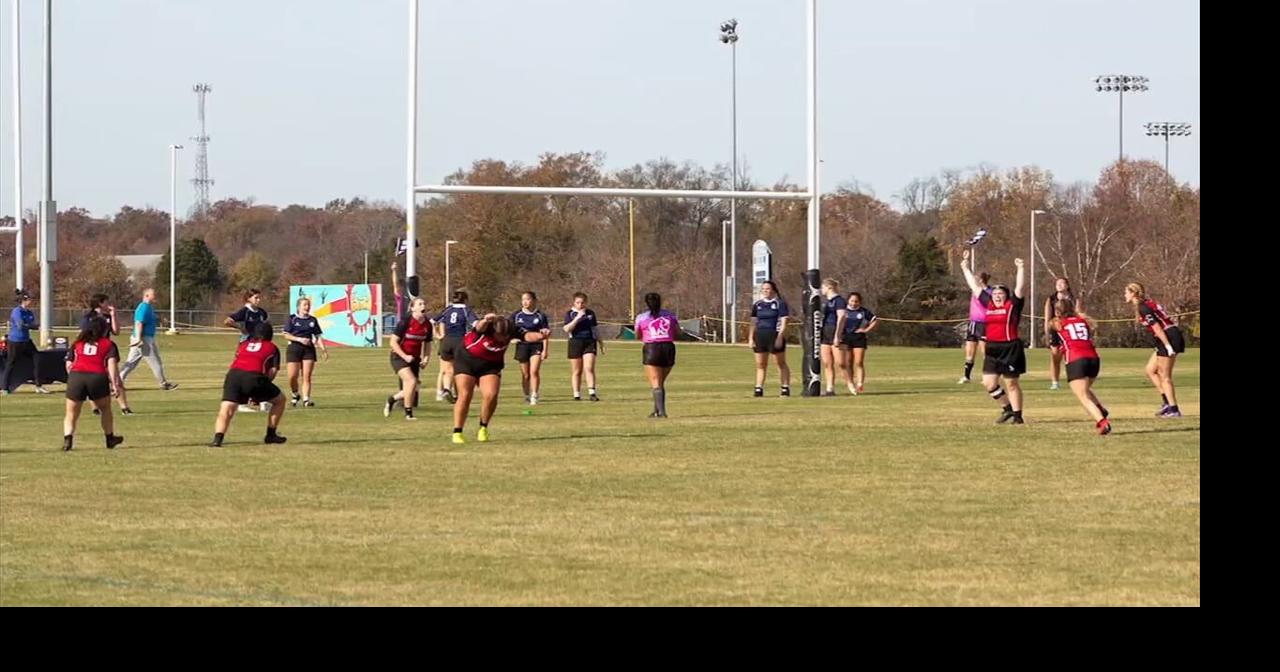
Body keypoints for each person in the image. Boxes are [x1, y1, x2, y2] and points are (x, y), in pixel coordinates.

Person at [450, 313, 551, 443]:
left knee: (491, 394)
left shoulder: (510, 328)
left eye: (506, 336)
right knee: (465, 394)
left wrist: (542, 335)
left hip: (490, 365)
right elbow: (479, 326)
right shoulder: (486, 327)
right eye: (500, 336)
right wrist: (485, 319)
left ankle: (483, 428)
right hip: (466, 360)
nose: (503, 339)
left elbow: (527, 336)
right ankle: (457, 432)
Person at [964, 257, 1027, 424]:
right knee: (989, 383)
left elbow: (1019, 288)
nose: (998, 296)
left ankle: (1018, 416)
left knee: (1011, 383)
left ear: (1006, 296)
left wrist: (1020, 268)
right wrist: (965, 268)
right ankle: (1007, 409)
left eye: (1001, 294)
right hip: (992, 348)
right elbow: (974, 287)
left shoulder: (1012, 306)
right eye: (996, 294)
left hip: (1010, 348)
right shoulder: (989, 305)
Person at [209, 321, 288, 446]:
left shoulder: (244, 344)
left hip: (233, 375)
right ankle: (271, 434)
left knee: (226, 409)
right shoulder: (272, 347)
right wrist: (260, 391)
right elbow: (273, 371)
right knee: (280, 400)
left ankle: (217, 439)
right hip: (254, 377)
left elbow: (239, 359)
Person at [61, 317, 125, 451]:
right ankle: (109, 438)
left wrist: (73, 379)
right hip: (97, 377)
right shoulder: (108, 344)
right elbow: (111, 365)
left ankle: (68, 439)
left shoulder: (77, 343)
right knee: (105, 409)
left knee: (71, 412)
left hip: (76, 376)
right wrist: (115, 384)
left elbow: (68, 365)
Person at [1049, 300, 1111, 435]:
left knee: (1082, 395)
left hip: (1076, 359)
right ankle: (1100, 408)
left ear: (1057, 311)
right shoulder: (1082, 321)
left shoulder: (1056, 324)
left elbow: (1055, 351)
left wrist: (1056, 363)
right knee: (1085, 389)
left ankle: (1102, 421)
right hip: (1094, 359)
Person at [1125, 282, 1186, 418]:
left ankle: (1174, 409)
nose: (1125, 295)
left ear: (1134, 293)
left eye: (1127, 292)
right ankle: (1166, 401)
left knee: (1165, 377)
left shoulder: (1143, 307)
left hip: (1168, 336)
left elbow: (1157, 327)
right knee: (1150, 370)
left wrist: (1168, 345)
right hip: (1165, 337)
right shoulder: (1147, 303)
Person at [120, 287, 179, 391]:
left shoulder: (148, 307)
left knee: (131, 362)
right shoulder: (143, 307)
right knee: (155, 361)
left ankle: (117, 382)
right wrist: (138, 339)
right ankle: (163, 383)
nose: (155, 296)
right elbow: (139, 323)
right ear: (147, 295)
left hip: (145, 338)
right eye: (153, 294)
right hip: (143, 338)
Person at [82, 293, 132, 414]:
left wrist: (114, 315)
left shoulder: (107, 316)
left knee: (115, 377)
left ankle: (124, 407)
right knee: (93, 379)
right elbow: (84, 334)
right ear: (100, 303)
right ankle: (94, 407)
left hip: (107, 349)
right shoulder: (88, 317)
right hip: (93, 350)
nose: (108, 304)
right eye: (106, 302)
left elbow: (116, 331)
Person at [385, 297, 433, 420]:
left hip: (414, 359)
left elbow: (427, 343)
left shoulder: (427, 324)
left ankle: (392, 399)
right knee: (411, 382)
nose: (423, 306)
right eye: (420, 304)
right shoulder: (405, 322)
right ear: (412, 308)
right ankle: (409, 414)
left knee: (413, 387)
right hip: (398, 356)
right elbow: (393, 342)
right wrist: (405, 356)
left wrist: (426, 358)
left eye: (424, 303)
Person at [224, 289, 269, 412]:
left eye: (259, 298)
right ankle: (240, 403)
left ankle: (261, 400)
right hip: (246, 345)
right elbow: (227, 321)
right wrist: (240, 327)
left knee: (261, 372)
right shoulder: (244, 312)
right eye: (256, 298)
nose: (258, 300)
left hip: (259, 345)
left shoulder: (261, 312)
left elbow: (265, 325)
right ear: (249, 298)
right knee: (243, 372)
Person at [635, 292, 680, 418]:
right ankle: (656, 410)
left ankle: (661, 412)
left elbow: (637, 335)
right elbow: (678, 332)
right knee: (660, 382)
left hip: (652, 348)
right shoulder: (670, 315)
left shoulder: (641, 317)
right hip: (668, 348)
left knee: (656, 382)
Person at [283, 297, 329, 407]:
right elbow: (286, 334)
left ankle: (306, 399)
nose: (307, 307)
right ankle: (295, 394)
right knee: (292, 376)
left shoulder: (312, 320)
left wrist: (323, 349)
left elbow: (318, 336)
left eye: (308, 305)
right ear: (299, 306)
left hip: (308, 350)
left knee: (306, 376)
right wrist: (299, 339)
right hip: (294, 348)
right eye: (304, 305)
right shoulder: (292, 319)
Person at [1, 288, 49, 395]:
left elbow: (30, 324)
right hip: (15, 341)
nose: (31, 302)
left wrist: (35, 326)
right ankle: (4, 388)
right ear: (24, 300)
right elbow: (20, 325)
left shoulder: (29, 312)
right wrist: (35, 326)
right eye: (29, 300)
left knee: (37, 358)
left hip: (26, 341)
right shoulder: (17, 311)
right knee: (10, 363)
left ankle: (38, 385)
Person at [748, 280, 791, 397]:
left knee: (780, 362)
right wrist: (751, 338)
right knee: (761, 364)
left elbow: (784, 321)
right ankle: (758, 388)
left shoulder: (779, 304)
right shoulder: (758, 305)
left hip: (774, 334)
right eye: (763, 289)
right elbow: (753, 322)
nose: (765, 291)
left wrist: (780, 336)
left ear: (773, 290)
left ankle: (785, 387)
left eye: (767, 289)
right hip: (760, 336)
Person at [435, 290, 478, 403]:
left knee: (447, 370)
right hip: (459, 341)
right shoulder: (465, 310)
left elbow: (433, 321)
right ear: (465, 300)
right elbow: (476, 324)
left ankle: (447, 389)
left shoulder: (448, 309)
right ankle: (459, 392)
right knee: (461, 369)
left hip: (446, 341)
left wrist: (438, 334)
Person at [511, 291, 551, 405]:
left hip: (536, 345)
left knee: (534, 371)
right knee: (525, 374)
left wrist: (545, 350)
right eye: (523, 299)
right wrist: (512, 338)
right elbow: (508, 329)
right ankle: (527, 395)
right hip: (522, 346)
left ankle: (534, 395)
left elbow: (545, 334)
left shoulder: (540, 316)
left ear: (534, 300)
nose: (525, 302)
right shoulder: (516, 315)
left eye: (527, 299)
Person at [1043, 277, 1081, 391]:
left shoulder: (1074, 299)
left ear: (1067, 285)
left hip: (1070, 329)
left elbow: (1079, 314)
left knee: (1072, 356)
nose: (1058, 285)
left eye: (1061, 283)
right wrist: (1047, 333)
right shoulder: (1051, 299)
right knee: (1055, 356)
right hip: (1056, 329)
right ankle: (1055, 382)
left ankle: (1075, 379)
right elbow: (1047, 318)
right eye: (1057, 283)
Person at [958, 249, 990, 384]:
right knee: (970, 351)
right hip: (973, 323)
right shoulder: (975, 290)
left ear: (981, 280)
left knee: (985, 351)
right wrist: (965, 263)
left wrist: (966, 267)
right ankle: (966, 376)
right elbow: (970, 280)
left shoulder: (989, 292)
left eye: (977, 278)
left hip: (984, 324)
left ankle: (987, 376)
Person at [564, 292, 602, 401]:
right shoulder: (570, 314)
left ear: (586, 302)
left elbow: (595, 328)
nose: (580, 305)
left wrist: (600, 341)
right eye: (578, 302)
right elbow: (567, 329)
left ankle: (592, 393)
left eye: (582, 302)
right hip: (575, 342)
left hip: (589, 342)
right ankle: (576, 394)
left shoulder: (590, 313)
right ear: (574, 303)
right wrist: (577, 318)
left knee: (589, 367)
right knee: (577, 370)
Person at [840, 292, 879, 394]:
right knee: (848, 362)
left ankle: (860, 383)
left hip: (859, 338)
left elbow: (874, 320)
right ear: (848, 301)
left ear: (859, 302)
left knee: (859, 362)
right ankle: (851, 384)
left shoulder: (863, 311)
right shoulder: (843, 311)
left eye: (856, 301)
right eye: (852, 301)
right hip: (845, 338)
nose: (854, 303)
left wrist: (866, 330)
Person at [818, 279, 852, 396]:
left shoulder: (839, 301)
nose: (822, 290)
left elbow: (841, 317)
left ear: (829, 287)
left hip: (835, 331)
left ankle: (850, 384)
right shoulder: (824, 302)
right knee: (827, 362)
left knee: (840, 363)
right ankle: (830, 388)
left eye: (823, 287)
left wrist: (837, 335)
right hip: (825, 332)